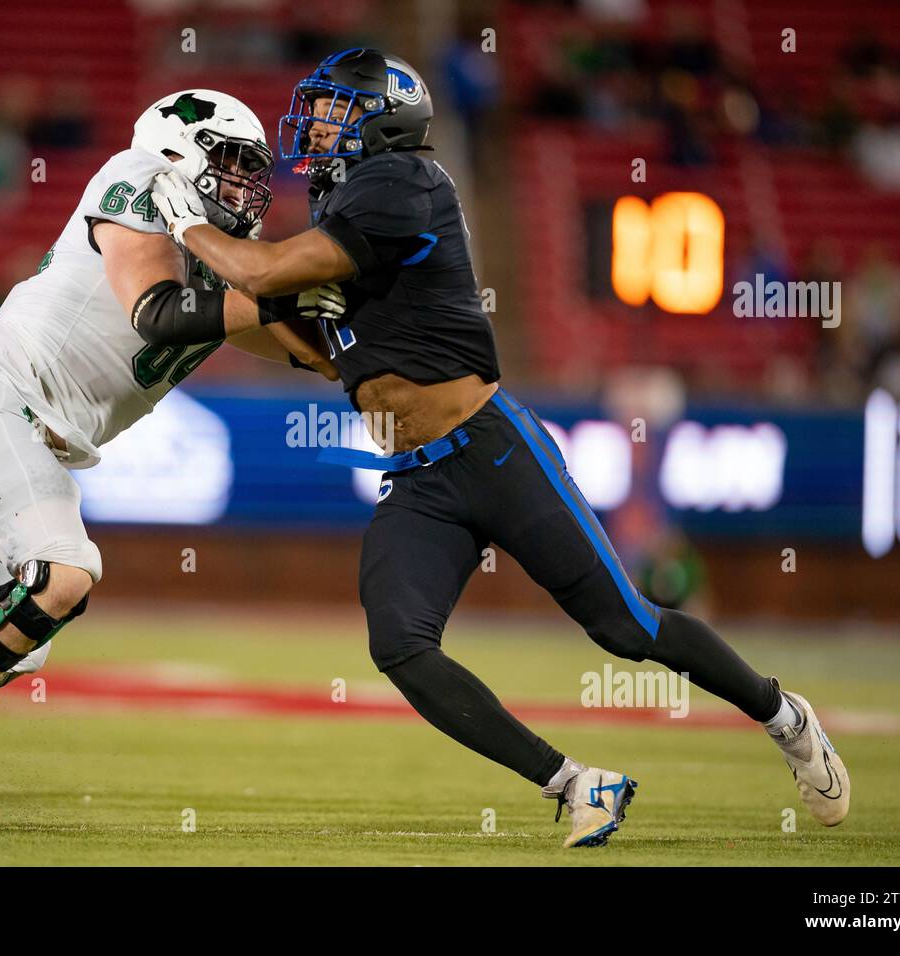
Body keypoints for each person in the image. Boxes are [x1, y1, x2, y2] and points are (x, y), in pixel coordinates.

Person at [147, 49, 851, 848]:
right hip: (417, 476)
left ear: (383, 117)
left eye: (336, 108)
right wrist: (182, 312)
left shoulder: (402, 182)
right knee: (401, 646)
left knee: (625, 627)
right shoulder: (349, 198)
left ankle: (783, 715)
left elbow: (265, 268)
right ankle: (579, 784)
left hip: (491, 446)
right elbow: (289, 327)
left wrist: (183, 219)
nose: (317, 123)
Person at [0, 89, 340, 827]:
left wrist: (353, 317)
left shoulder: (217, 257)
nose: (247, 181)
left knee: (7, 645)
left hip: (10, 427)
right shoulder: (136, 179)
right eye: (230, 159)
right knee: (66, 572)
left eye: (254, 167)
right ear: (176, 150)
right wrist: (287, 291)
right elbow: (156, 310)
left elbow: (305, 353)